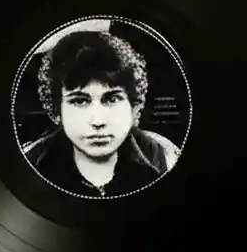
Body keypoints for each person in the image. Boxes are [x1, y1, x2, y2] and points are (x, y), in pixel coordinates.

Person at [21, 28, 181, 197]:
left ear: (133, 105)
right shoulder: (28, 163)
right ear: (57, 109)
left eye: (112, 99)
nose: (98, 121)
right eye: (79, 101)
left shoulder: (164, 157)